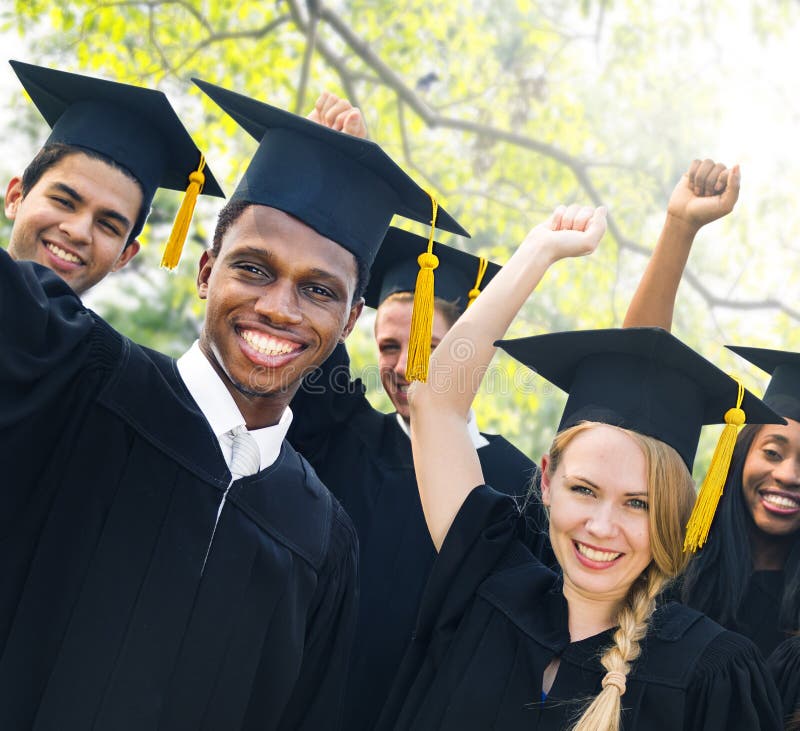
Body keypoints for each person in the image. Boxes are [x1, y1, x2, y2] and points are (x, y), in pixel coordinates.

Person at [0, 77, 466, 730]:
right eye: (252, 267)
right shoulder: (82, 381)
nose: (279, 306)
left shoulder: (326, 541)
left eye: (319, 290)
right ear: (204, 269)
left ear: (352, 318)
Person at [376, 203, 784, 730]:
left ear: (677, 513)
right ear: (546, 479)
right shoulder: (491, 588)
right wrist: (539, 250)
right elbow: (437, 401)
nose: (601, 527)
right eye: (585, 490)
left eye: (638, 503)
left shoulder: (712, 670)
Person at [289, 225, 548, 730]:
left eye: (431, 343)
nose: (406, 365)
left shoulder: (517, 485)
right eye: (388, 346)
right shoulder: (343, 434)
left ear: (468, 347)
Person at [622, 159, 800, 658]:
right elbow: (638, 382)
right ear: (739, 453)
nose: (788, 474)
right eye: (773, 450)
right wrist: (681, 227)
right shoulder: (674, 558)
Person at [3, 61, 224, 294]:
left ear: (124, 256)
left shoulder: (96, 332)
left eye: (108, 225)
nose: (78, 232)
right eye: (64, 202)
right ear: (16, 197)